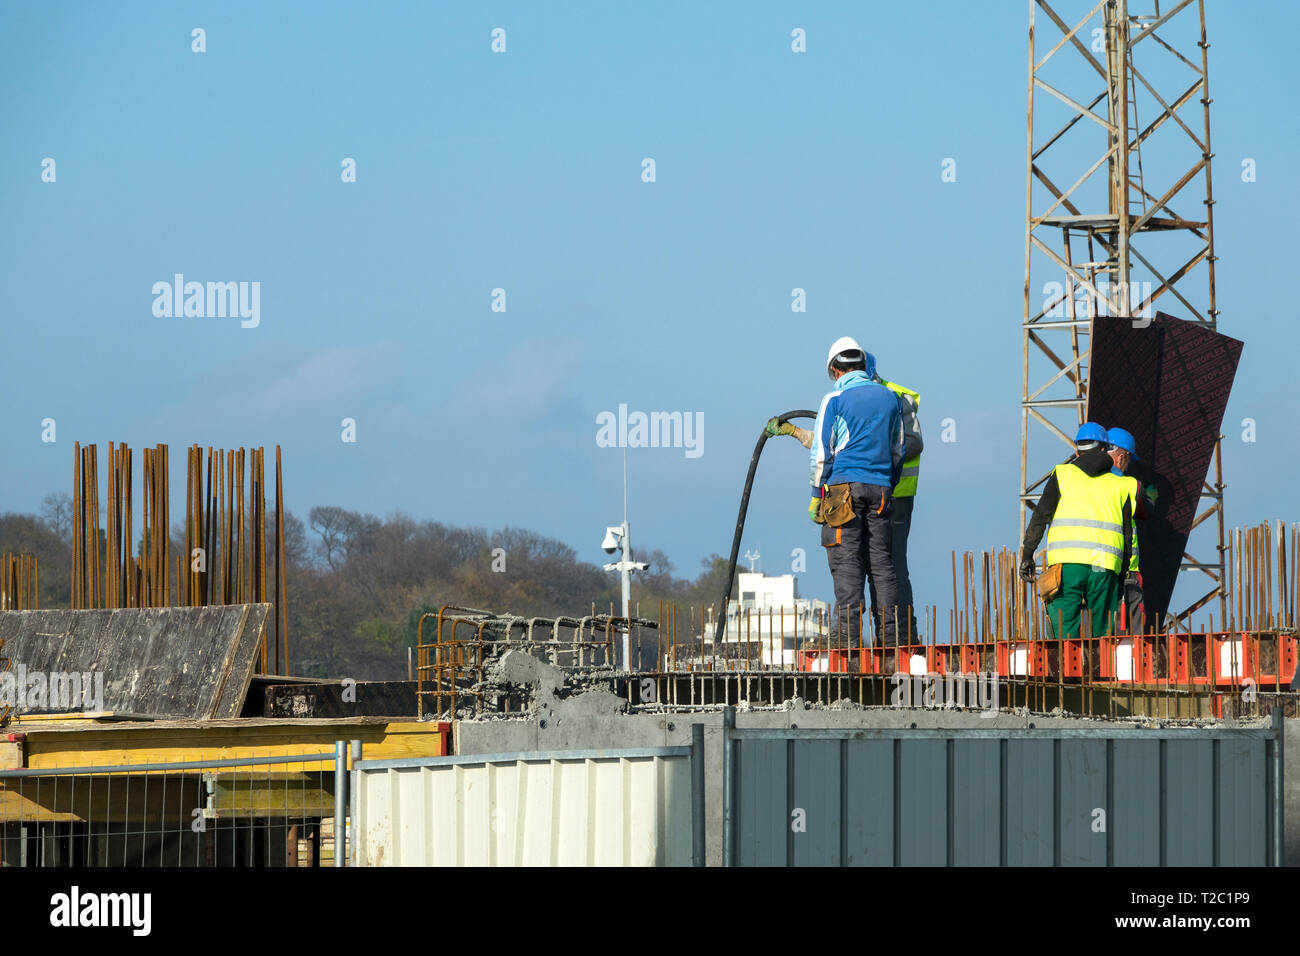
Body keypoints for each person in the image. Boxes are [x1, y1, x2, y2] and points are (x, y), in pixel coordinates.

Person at [770, 360, 923, 640]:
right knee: (883, 563)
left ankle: (871, 636)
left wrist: (817, 495)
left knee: (855, 561)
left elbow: (828, 451)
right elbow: (838, 442)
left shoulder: (881, 397)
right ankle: (892, 637)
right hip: (885, 492)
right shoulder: (883, 397)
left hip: (887, 496)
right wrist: (795, 433)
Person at [1018, 426, 1136, 641]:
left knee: (1064, 632)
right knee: (1104, 636)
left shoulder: (1062, 475)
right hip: (1105, 567)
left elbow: (1040, 517)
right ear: (1104, 450)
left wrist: (1028, 555)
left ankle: (1066, 671)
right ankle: (1104, 671)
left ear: (1077, 451)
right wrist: (1122, 575)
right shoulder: (1121, 484)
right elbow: (1127, 535)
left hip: (1067, 567)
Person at [1106, 427, 1151, 633]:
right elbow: (1148, 506)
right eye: (1129, 459)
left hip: (1092, 568)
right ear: (1122, 456)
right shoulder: (1127, 485)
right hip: (1126, 570)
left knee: (1098, 627)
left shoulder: (1085, 483)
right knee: (1132, 632)